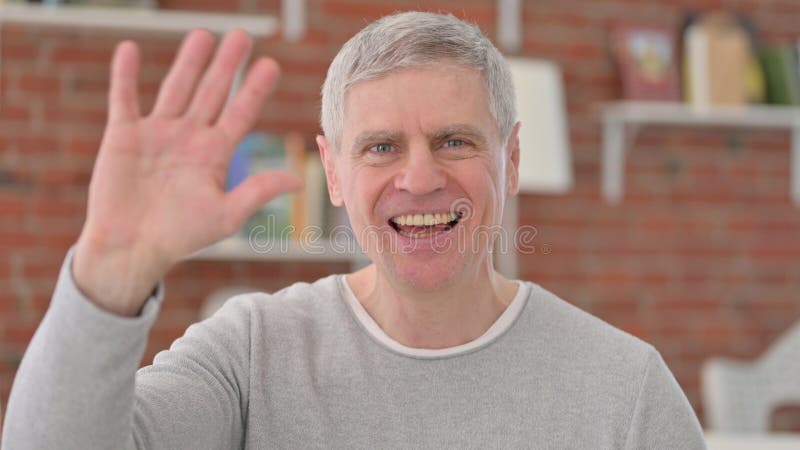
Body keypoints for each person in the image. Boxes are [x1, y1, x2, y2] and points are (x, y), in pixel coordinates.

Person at [2, 11, 706, 449]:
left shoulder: (625, 386)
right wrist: (108, 272)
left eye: (455, 140)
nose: (421, 178)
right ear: (334, 174)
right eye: (381, 147)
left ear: (511, 159)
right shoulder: (251, 353)